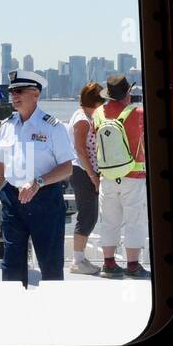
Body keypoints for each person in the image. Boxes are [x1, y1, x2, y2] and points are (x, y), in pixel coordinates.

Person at [0, 70, 74, 285]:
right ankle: (13, 310)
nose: (14, 95)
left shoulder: (53, 127)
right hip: (12, 201)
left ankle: (53, 312)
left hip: (45, 199)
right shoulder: (7, 126)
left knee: (50, 263)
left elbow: (67, 167)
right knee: (11, 263)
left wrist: (37, 183)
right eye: (12, 91)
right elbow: (0, 169)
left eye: (19, 91)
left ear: (35, 94)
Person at [94, 74, 149, 278]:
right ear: (128, 92)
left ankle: (109, 264)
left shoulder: (98, 113)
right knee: (134, 219)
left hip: (107, 176)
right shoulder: (138, 113)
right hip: (133, 174)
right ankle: (133, 265)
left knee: (109, 219)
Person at [67, 81, 103, 275]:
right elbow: (80, 150)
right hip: (82, 171)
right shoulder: (82, 119)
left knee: (90, 215)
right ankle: (78, 260)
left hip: (84, 170)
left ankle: (79, 259)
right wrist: (92, 175)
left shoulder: (83, 115)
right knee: (87, 215)